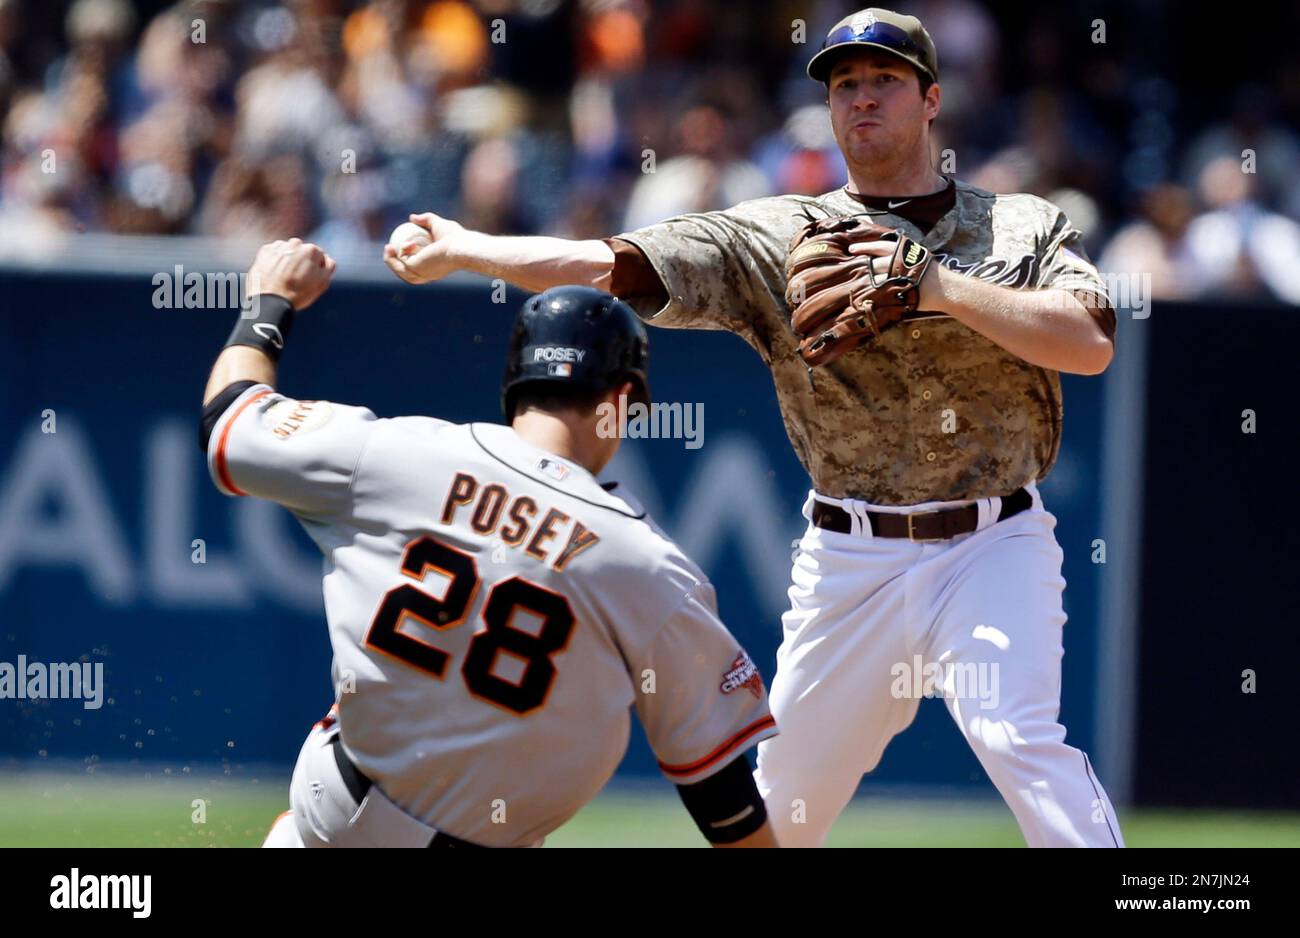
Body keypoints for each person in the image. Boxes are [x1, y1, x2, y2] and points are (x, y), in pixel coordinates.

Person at [384, 7, 1124, 848]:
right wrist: (470, 247)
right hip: (853, 558)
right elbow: (609, 261)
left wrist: (939, 288)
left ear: (931, 100)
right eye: (846, 84)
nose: (863, 99)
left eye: (885, 80)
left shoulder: (1020, 225)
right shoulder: (778, 234)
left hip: (993, 541)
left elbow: (1090, 343)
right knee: (781, 806)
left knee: (1017, 735)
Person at [200, 238, 779, 848]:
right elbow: (720, 792)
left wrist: (269, 302)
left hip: (329, 812)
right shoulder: (646, 564)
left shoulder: (396, 454)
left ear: (515, 381)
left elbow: (230, 423)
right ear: (622, 402)